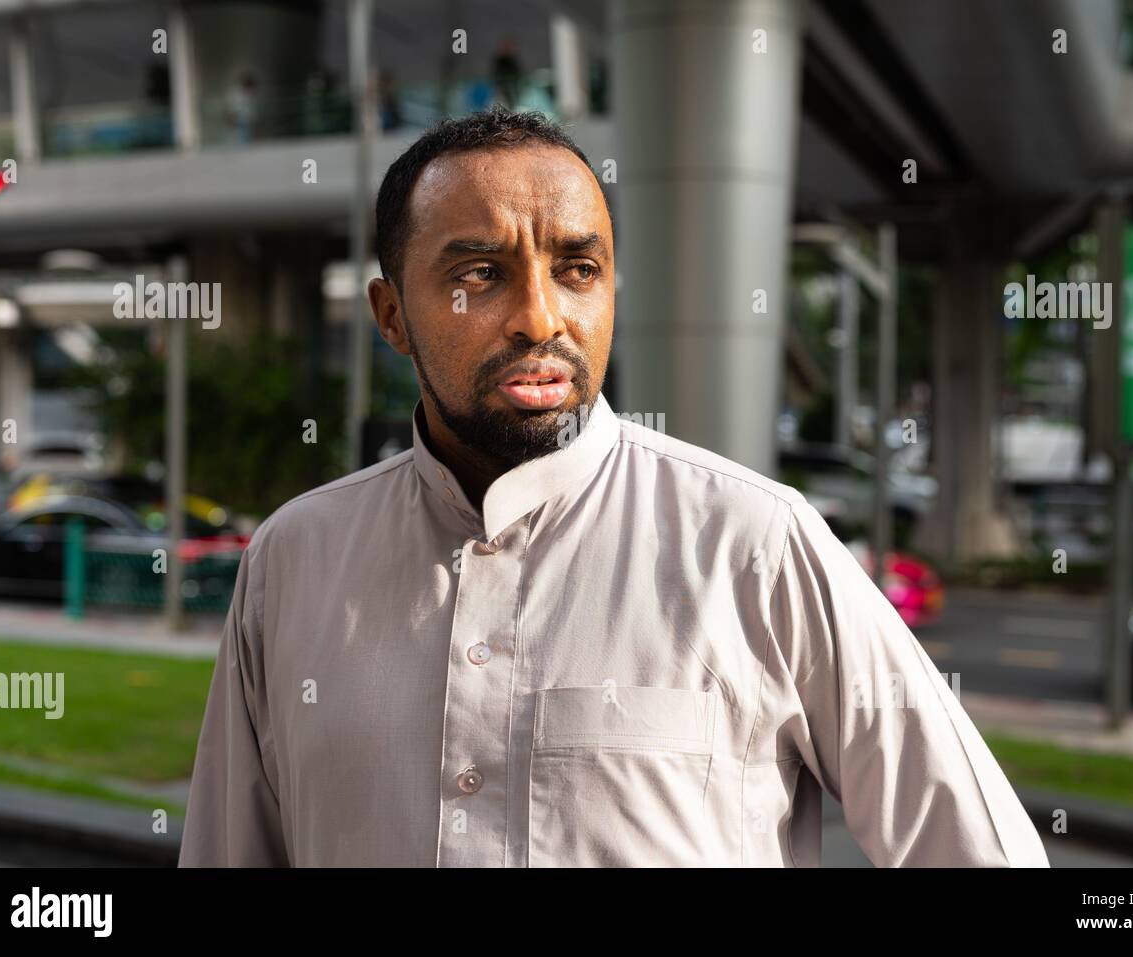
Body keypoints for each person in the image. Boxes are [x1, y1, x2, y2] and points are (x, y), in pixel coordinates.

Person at [179, 106, 1049, 868]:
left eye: (577, 269)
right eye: (478, 273)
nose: (541, 316)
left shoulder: (757, 543)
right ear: (392, 315)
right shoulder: (294, 559)